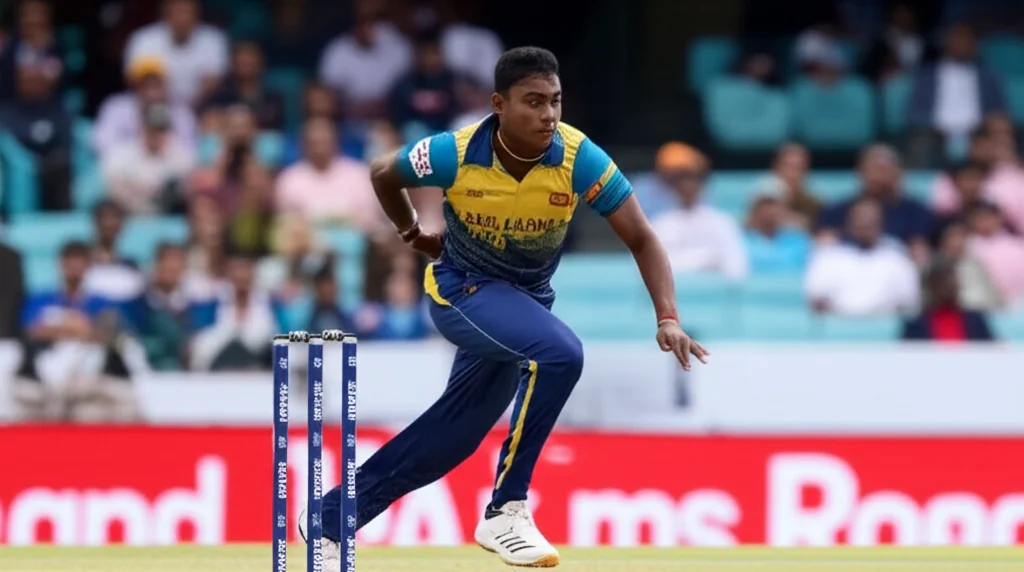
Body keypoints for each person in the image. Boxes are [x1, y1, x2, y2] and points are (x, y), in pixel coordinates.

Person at [306, 47, 708, 568]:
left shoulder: (577, 157)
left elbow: (643, 237)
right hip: (461, 290)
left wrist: (668, 317)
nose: (548, 115)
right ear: (499, 104)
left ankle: (331, 518)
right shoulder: (455, 151)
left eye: (556, 102)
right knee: (562, 353)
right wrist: (412, 234)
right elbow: (385, 171)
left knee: (453, 436)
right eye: (534, 102)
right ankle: (506, 508)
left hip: (521, 306)